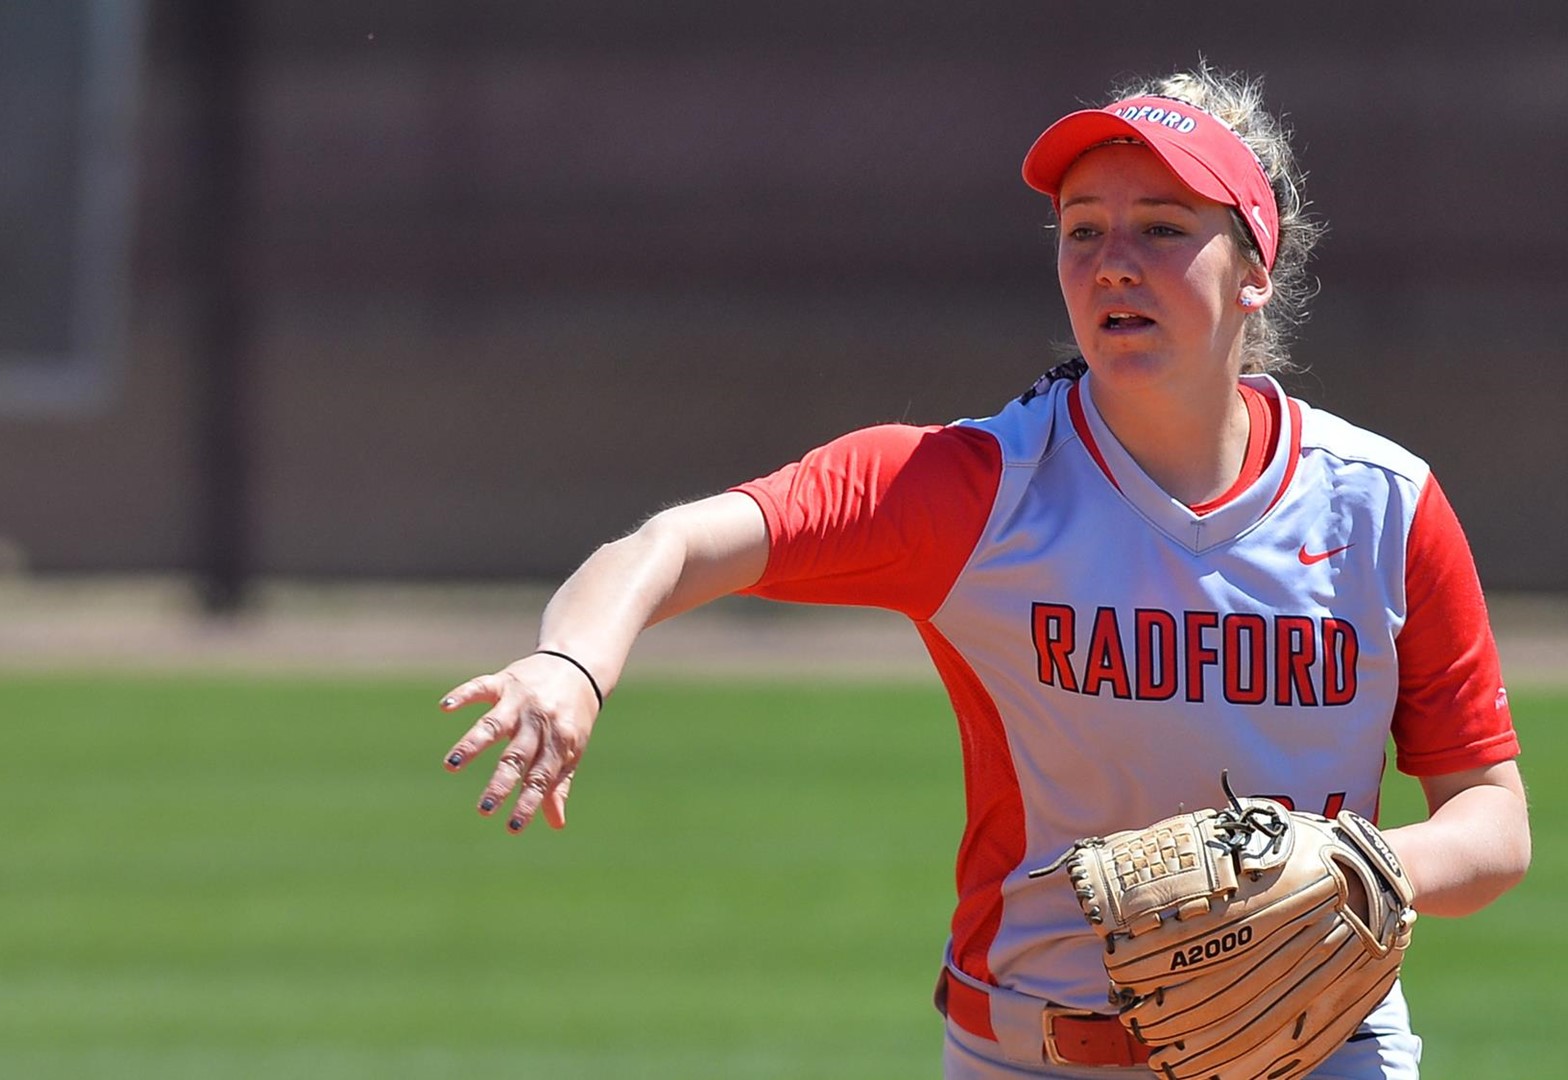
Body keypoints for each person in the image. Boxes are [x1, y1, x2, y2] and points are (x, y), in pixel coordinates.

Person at [437, 63, 1528, 1078]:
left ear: (1254, 267)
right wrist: (570, 667)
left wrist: (1356, 866)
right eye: (1083, 229)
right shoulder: (983, 490)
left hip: (1317, 1038)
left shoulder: (1383, 505)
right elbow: (671, 544)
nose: (1113, 261)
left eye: (1162, 228)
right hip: (1037, 1052)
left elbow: (1492, 822)